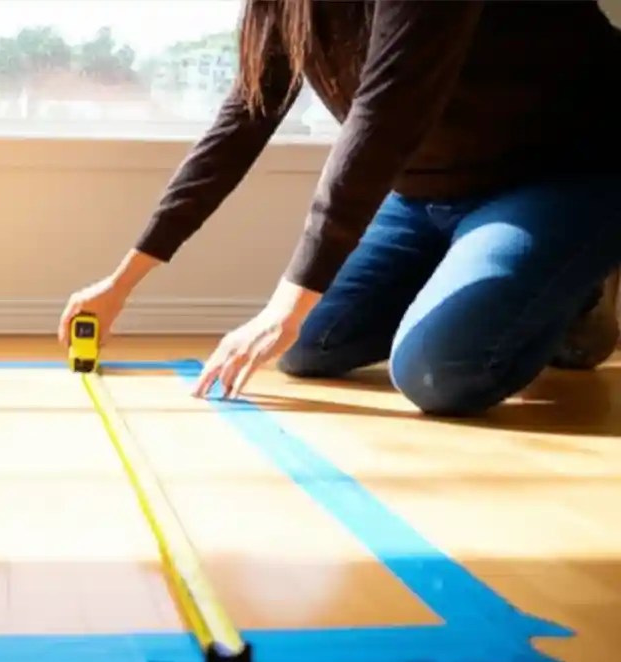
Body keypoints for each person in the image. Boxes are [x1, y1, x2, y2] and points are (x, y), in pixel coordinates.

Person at [59, 0, 621, 416]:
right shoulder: (285, 7)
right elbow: (242, 122)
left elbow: (382, 118)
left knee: (439, 370)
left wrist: (283, 307)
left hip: (562, 170)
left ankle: (581, 300)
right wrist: (123, 280)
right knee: (306, 346)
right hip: (428, 195)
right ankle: (491, 272)